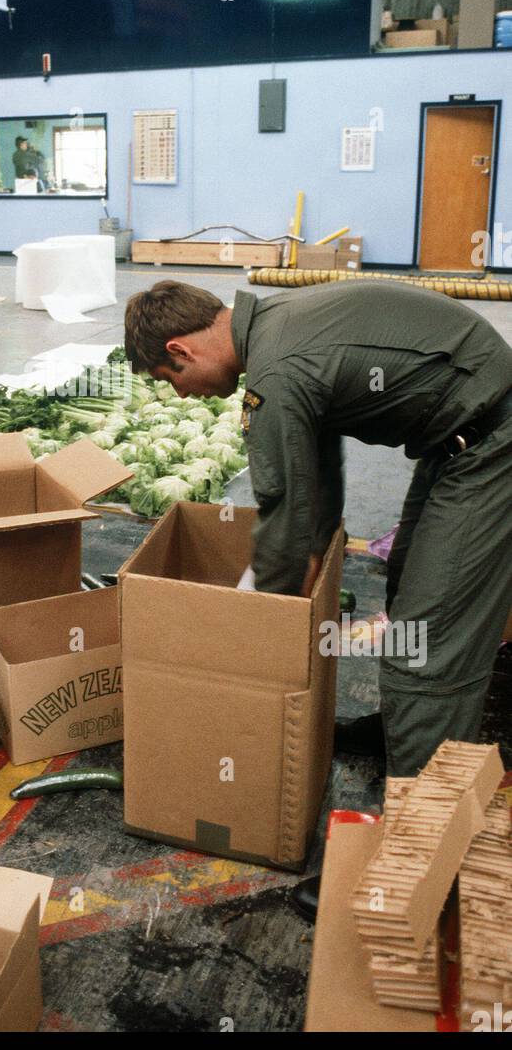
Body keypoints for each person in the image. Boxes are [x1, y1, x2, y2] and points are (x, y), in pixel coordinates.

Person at [124, 279, 512, 914]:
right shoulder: (275, 327)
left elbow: (283, 519)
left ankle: (423, 867)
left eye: (170, 380)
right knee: (410, 578)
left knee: (426, 653)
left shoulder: (274, 374)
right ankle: (408, 734)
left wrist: (252, 643)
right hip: (464, 434)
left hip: (493, 443)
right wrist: (303, 562)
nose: (182, 395)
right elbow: (316, 477)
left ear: (181, 349)